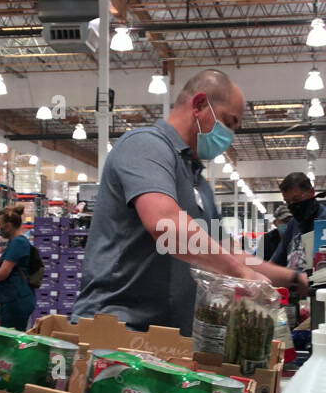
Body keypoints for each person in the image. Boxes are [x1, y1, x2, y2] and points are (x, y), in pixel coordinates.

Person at [73, 69, 308, 335]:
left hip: (167, 338)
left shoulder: (198, 181)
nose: (229, 136)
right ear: (198, 105)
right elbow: (167, 226)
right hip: (117, 331)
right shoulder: (145, 146)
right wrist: (242, 275)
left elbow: (232, 254)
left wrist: (292, 279)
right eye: (228, 123)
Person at [268, 172, 326, 271]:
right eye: (288, 202)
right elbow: (276, 261)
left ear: (311, 192)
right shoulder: (293, 223)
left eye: (296, 199)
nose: (292, 205)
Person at [0, 205, 36, 331]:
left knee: (10, 336)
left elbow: (4, 272)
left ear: (9, 225)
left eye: (0, 225)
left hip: (16, 299)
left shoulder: (18, 242)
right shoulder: (17, 242)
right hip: (17, 297)